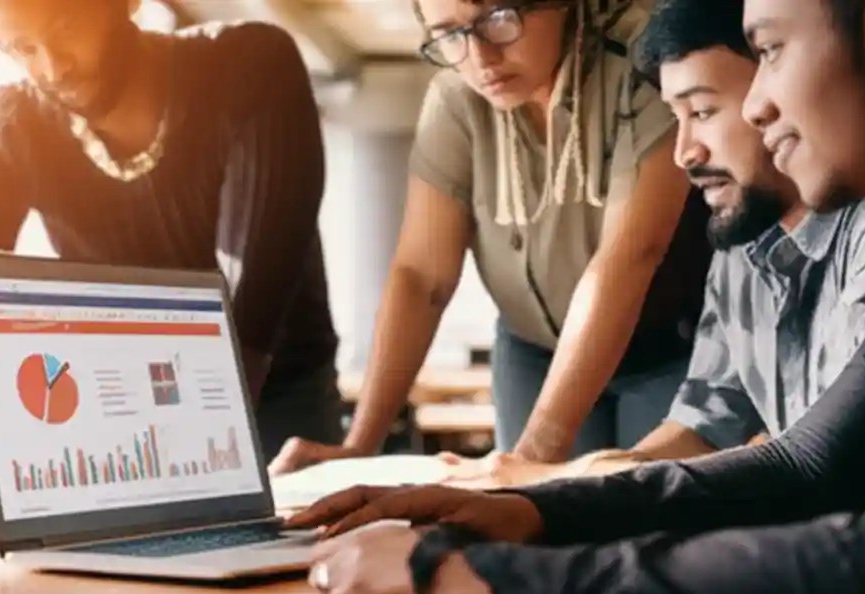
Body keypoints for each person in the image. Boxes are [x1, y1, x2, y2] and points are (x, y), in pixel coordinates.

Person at [290, 0, 865, 594]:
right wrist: (534, 510)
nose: (758, 104)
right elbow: (804, 465)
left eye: (766, 51)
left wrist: (481, 579)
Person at [0, 0, 341, 477]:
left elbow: (252, 282)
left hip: (273, 384)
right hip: (127, 393)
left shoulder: (248, 68)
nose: (52, 67)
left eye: (63, 31)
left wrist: (192, 450)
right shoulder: (16, 127)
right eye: (24, 48)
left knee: (285, 566)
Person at [440, 0, 865, 487]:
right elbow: (702, 428)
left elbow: (821, 457)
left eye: (701, 111)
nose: (684, 153)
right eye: (675, 117)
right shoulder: (740, 251)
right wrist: (559, 483)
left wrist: (577, 474)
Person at [269, 0, 714, 474]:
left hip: (666, 349)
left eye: (499, 19)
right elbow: (422, 277)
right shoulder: (456, 99)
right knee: (532, 521)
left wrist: (535, 452)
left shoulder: (642, 66)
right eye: (449, 34)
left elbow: (629, 256)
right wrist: (360, 445)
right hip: (531, 351)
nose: (479, 58)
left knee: (642, 512)